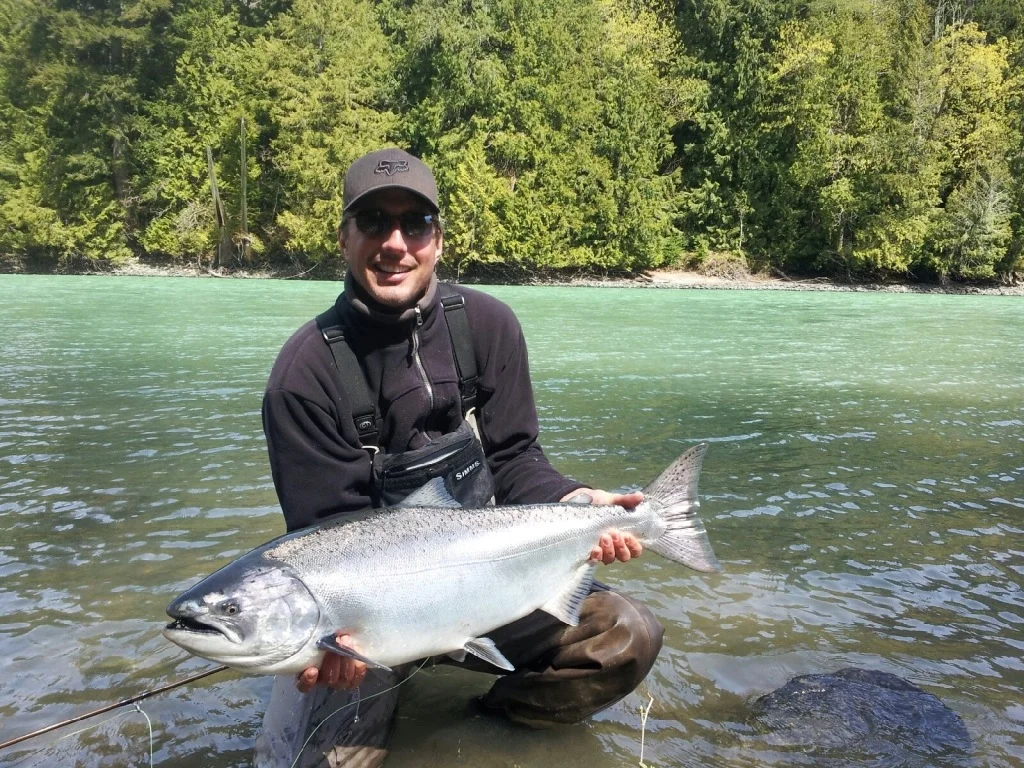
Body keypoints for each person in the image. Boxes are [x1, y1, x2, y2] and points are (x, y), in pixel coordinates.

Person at [256, 148, 663, 767]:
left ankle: (485, 723)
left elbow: (518, 459)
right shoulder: (304, 374)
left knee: (627, 637)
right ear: (344, 239)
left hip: (487, 581)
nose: (394, 243)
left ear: (437, 240)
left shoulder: (489, 326)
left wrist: (580, 503)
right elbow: (324, 534)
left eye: (413, 224)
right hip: (372, 617)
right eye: (373, 223)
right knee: (316, 763)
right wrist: (325, 649)